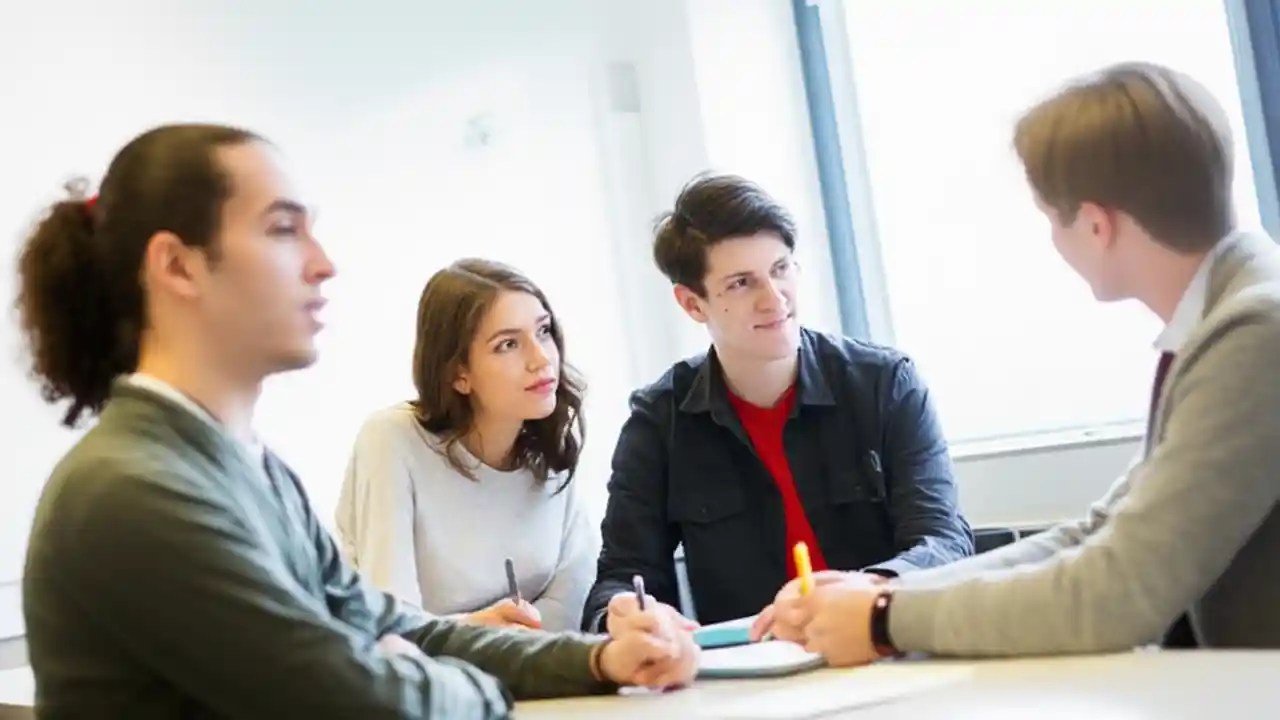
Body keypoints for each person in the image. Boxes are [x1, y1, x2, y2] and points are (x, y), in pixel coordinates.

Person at [16, 124, 697, 719]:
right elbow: (353, 700)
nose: (323, 263)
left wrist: (598, 662)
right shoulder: (135, 488)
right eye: (283, 229)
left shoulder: (248, 468)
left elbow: (396, 630)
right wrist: (460, 686)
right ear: (178, 265)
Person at [756, 62, 1280, 664]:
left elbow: (1119, 591)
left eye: (1050, 220)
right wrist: (888, 591)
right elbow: (1101, 531)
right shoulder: (1231, 313)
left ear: (1094, 224)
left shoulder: (1254, 331)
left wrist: (883, 621)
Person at [583, 173, 974, 632]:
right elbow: (621, 578)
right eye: (742, 283)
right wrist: (622, 616)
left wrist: (869, 590)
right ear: (692, 304)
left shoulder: (886, 384)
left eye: (781, 268)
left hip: (884, 642)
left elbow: (944, 542)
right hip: (756, 675)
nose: (775, 299)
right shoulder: (659, 420)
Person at [336, 259, 597, 632]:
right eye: (508, 344)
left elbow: (571, 603)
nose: (541, 358)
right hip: (417, 679)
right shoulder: (391, 440)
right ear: (458, 374)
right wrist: (482, 631)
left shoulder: (550, 447)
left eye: (543, 331)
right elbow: (389, 620)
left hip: (536, 676)